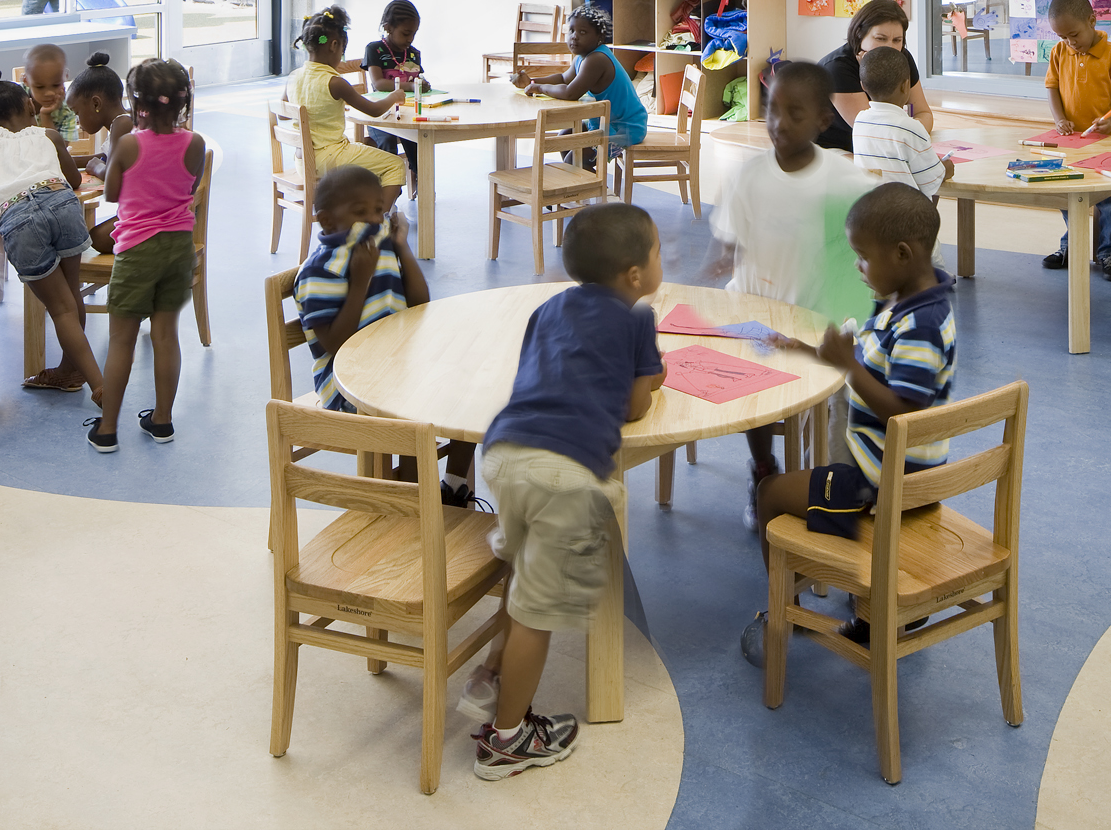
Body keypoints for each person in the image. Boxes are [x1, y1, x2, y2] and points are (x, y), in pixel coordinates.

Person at [458, 203, 664, 781]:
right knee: (539, 612)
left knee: (525, 577)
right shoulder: (637, 319)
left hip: (503, 454)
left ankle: (490, 675)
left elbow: (539, 373)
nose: (659, 263)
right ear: (633, 275)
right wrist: (654, 375)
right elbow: (633, 406)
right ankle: (506, 739)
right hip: (567, 473)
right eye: (656, 254)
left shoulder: (547, 309)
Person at [744, 181, 958, 663]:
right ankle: (866, 605)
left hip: (883, 480)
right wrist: (804, 350)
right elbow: (871, 362)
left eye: (863, 257)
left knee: (770, 494)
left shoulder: (920, 325)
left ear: (902, 254)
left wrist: (848, 366)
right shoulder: (908, 302)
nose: (858, 268)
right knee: (798, 482)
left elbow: (903, 412)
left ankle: (783, 612)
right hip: (899, 470)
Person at [704, 60, 872, 531]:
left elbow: (877, 242)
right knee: (745, 383)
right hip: (753, 312)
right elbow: (730, 238)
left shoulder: (842, 181)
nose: (778, 123)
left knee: (837, 395)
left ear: (823, 119)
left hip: (812, 320)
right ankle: (763, 467)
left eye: (794, 113)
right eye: (771, 109)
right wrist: (718, 258)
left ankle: (813, 484)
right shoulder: (749, 175)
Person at [292, 164, 476, 500]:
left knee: (467, 384)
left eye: (379, 209)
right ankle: (413, 509)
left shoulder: (380, 247)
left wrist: (401, 246)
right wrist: (360, 281)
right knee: (409, 412)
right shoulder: (318, 271)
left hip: (395, 363)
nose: (375, 220)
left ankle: (451, 488)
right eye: (360, 212)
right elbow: (335, 345)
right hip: (347, 385)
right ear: (328, 221)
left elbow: (421, 304)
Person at [87, 58, 205, 451]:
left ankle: (106, 430)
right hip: (178, 248)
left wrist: (104, 168)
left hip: (137, 249)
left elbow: (112, 194)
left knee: (122, 339)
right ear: (182, 103)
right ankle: (162, 420)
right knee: (166, 335)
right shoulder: (196, 143)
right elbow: (188, 187)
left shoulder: (128, 144)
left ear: (138, 104)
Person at [0, 69, 105, 405]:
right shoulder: (49, 136)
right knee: (72, 298)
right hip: (61, 203)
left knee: (60, 309)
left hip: (19, 217)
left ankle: (100, 386)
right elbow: (73, 179)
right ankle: (70, 373)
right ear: (30, 106)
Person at [1042, 0, 1111, 278]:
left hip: (1110, 142)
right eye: (1063, 37)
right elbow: (1052, 88)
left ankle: (1110, 253)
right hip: (1073, 144)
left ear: (1092, 20)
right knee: (1069, 195)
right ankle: (1072, 245)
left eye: (1074, 34)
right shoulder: (1059, 53)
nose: (1070, 42)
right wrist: (1060, 120)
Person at [286, 6, 408, 213]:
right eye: (343, 51)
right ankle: (377, 224)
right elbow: (375, 110)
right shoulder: (334, 82)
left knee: (370, 153)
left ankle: (361, 214)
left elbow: (284, 110)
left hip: (302, 160)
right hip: (330, 158)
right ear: (334, 45)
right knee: (394, 165)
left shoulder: (293, 77)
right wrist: (394, 96)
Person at [512, 5, 647, 156]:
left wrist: (540, 88)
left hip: (625, 129)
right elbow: (563, 78)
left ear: (599, 38)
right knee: (564, 139)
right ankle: (582, 176)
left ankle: (588, 177)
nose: (574, 36)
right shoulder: (582, 57)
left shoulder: (597, 59)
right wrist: (532, 82)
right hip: (605, 123)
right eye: (571, 31)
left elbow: (570, 93)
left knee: (575, 157)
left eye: (582, 32)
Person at [816, 0, 932, 152]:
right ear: (859, 34)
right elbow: (873, 131)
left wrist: (912, 135)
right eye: (880, 39)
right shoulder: (837, 68)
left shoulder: (902, 57)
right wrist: (911, 134)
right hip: (830, 148)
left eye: (897, 40)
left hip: (884, 144)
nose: (889, 47)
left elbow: (923, 113)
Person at [849, 45, 951, 199]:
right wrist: (946, 168)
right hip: (903, 213)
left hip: (867, 209)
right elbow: (931, 180)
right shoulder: (911, 127)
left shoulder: (860, 121)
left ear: (863, 86)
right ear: (906, 86)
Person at [360, 0, 425, 188]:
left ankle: (422, 185)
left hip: (408, 114)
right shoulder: (374, 49)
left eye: (414, 33)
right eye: (406, 33)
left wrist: (422, 84)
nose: (410, 39)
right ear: (388, 28)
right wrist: (412, 86)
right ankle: (388, 193)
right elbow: (379, 83)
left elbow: (418, 79)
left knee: (419, 139)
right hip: (380, 115)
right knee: (387, 142)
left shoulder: (413, 53)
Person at [65, 51, 131, 184]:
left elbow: (112, 175)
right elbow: (108, 158)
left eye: (77, 113)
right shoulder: (120, 122)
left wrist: (96, 167)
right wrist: (68, 162)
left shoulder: (123, 124)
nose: (77, 121)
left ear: (96, 103)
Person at [23, 42, 77, 142]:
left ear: (65, 76)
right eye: (40, 87)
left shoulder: (68, 110)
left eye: (56, 85)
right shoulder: (13, 97)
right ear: (26, 81)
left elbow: (58, 151)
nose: (49, 93)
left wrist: (45, 115)